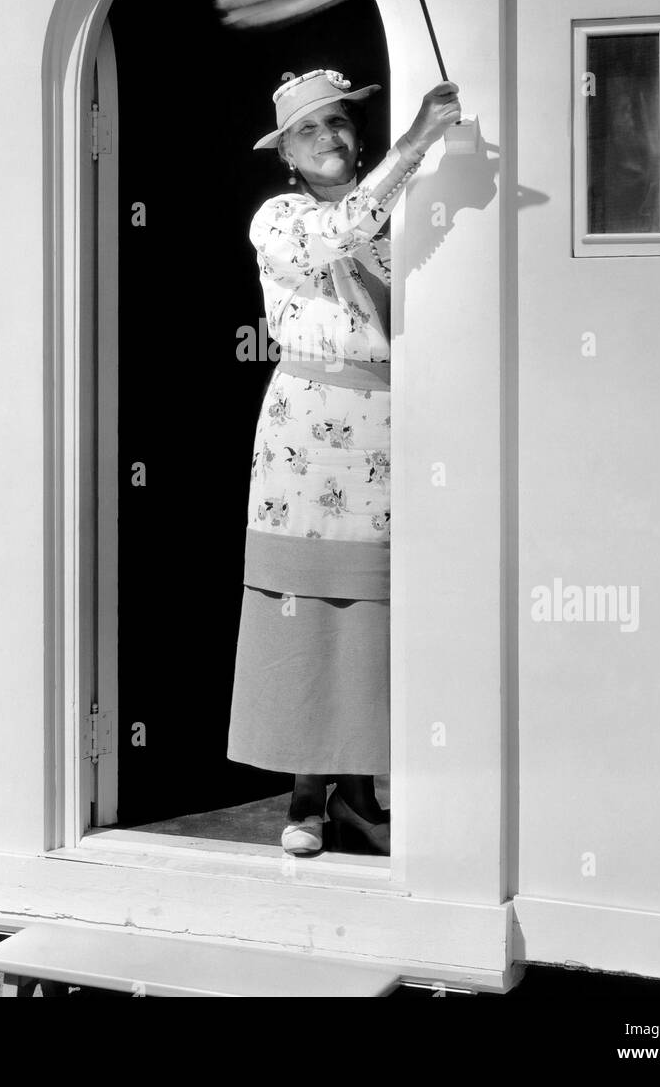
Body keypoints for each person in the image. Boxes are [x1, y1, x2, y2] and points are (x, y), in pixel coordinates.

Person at [227, 67, 462, 855]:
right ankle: (305, 794)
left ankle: (360, 790)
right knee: (306, 601)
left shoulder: (403, 212)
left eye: (336, 122)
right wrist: (418, 143)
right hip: (309, 425)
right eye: (307, 130)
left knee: (373, 605)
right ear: (287, 156)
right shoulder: (281, 217)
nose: (328, 138)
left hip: (390, 421)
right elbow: (343, 235)